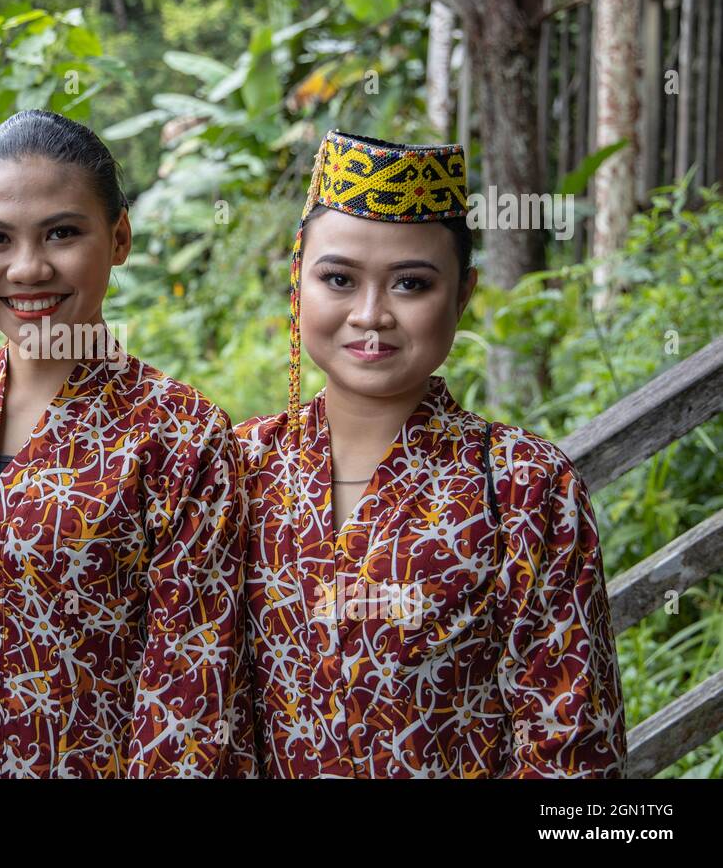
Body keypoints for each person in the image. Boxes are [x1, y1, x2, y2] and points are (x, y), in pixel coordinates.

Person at [0, 110, 253, 778]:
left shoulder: (181, 436)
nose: (28, 268)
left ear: (120, 237)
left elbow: (189, 694)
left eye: (63, 234)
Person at [238, 130, 626, 778]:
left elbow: (572, 746)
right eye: (338, 278)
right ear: (297, 280)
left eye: (411, 284)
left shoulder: (525, 490)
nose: (371, 314)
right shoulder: (237, 470)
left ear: (463, 292)